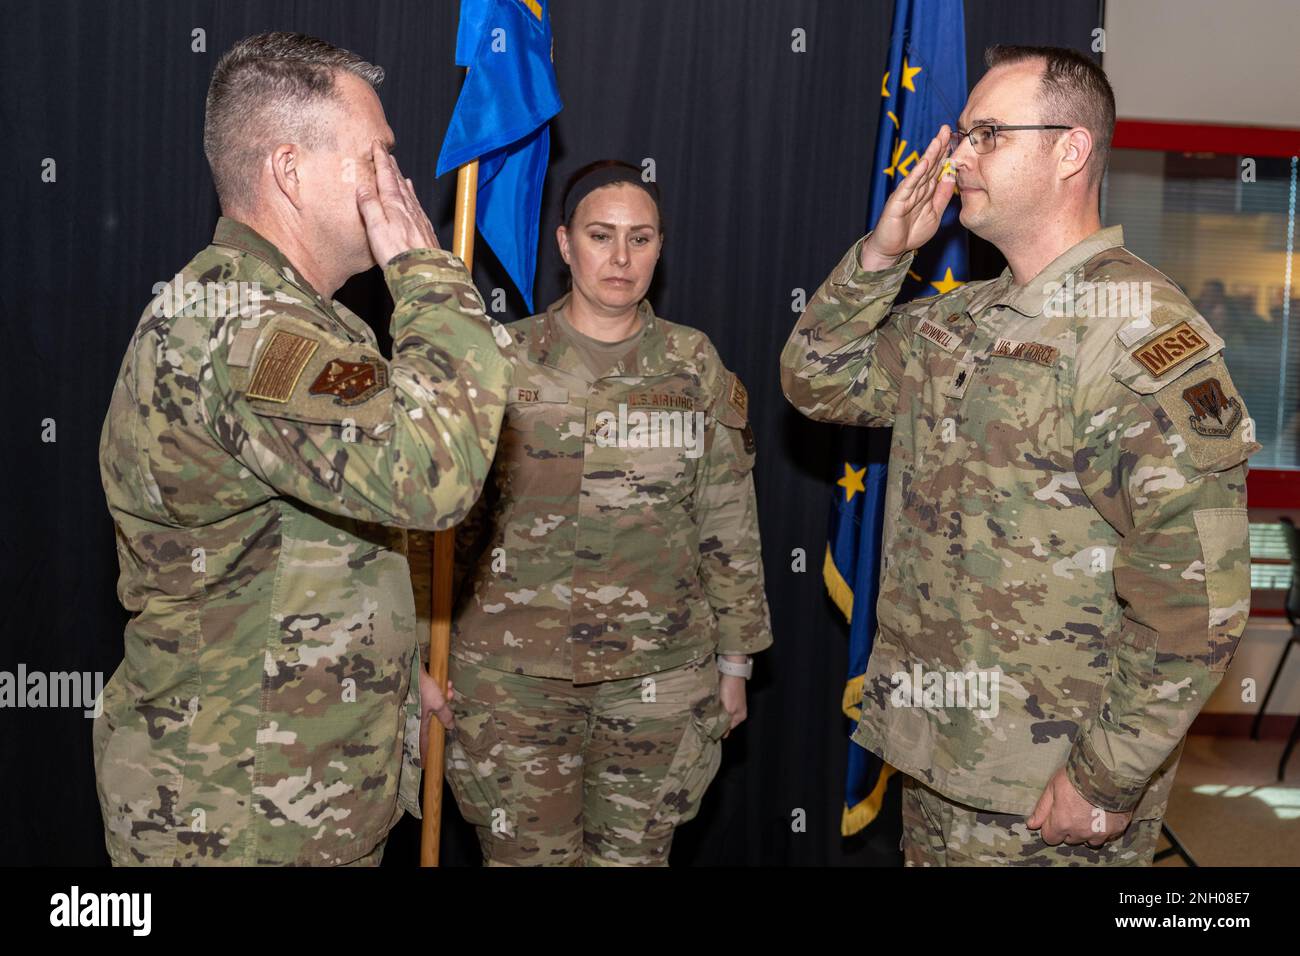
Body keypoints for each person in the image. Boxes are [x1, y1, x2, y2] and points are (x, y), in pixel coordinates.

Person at [781, 45, 1259, 866]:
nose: (957, 156)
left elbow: (1198, 603)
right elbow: (817, 382)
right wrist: (882, 258)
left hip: (1046, 783)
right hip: (938, 754)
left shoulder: (1137, 332)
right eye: (962, 133)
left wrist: (1104, 781)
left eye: (988, 133)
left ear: (1070, 150)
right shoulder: (961, 319)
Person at [94, 32, 512, 866]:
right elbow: (436, 475)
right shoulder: (249, 329)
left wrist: (393, 677)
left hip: (300, 791)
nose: (396, 183)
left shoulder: (308, 320)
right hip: (233, 814)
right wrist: (429, 275)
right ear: (289, 171)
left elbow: (309, 545)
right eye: (378, 159)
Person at [439, 160, 773, 866]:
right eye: (601, 235)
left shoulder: (692, 364)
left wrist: (736, 659)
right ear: (565, 244)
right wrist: (421, 653)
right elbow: (440, 516)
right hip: (511, 679)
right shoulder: (500, 358)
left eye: (641, 238)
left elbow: (727, 515)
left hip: (656, 677)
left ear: (660, 247)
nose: (621, 258)